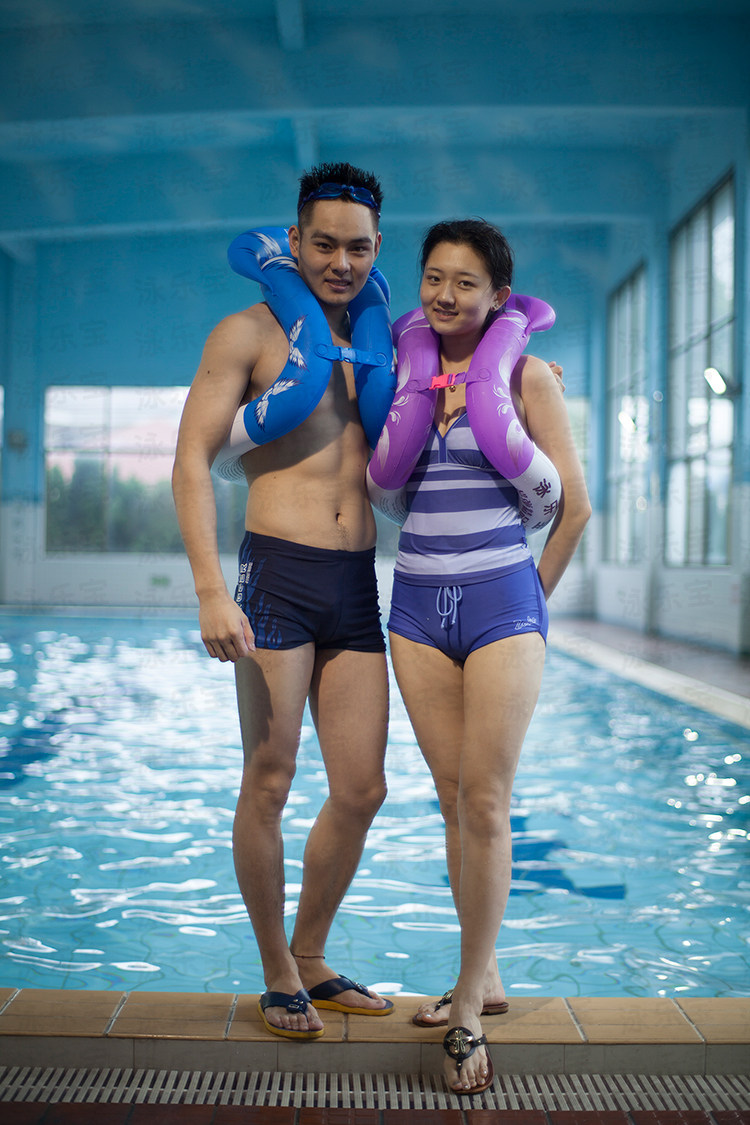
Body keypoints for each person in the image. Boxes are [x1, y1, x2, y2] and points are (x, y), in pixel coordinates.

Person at [172, 162, 395, 1040]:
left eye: (359, 248)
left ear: (377, 249)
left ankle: (312, 953)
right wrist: (208, 590)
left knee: (363, 788)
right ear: (294, 241)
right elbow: (191, 460)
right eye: (325, 244)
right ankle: (275, 971)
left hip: (356, 580)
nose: (341, 263)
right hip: (276, 575)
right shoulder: (247, 334)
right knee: (270, 778)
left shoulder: (383, 341)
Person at [369, 219, 591, 1093]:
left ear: (499, 297)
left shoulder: (528, 376)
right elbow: (385, 484)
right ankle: (484, 971)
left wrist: (532, 600)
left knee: (488, 799)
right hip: (416, 608)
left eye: (466, 282)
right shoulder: (407, 379)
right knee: (452, 795)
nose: (446, 294)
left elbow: (573, 507)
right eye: (433, 277)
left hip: (502, 601)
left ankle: (465, 1002)